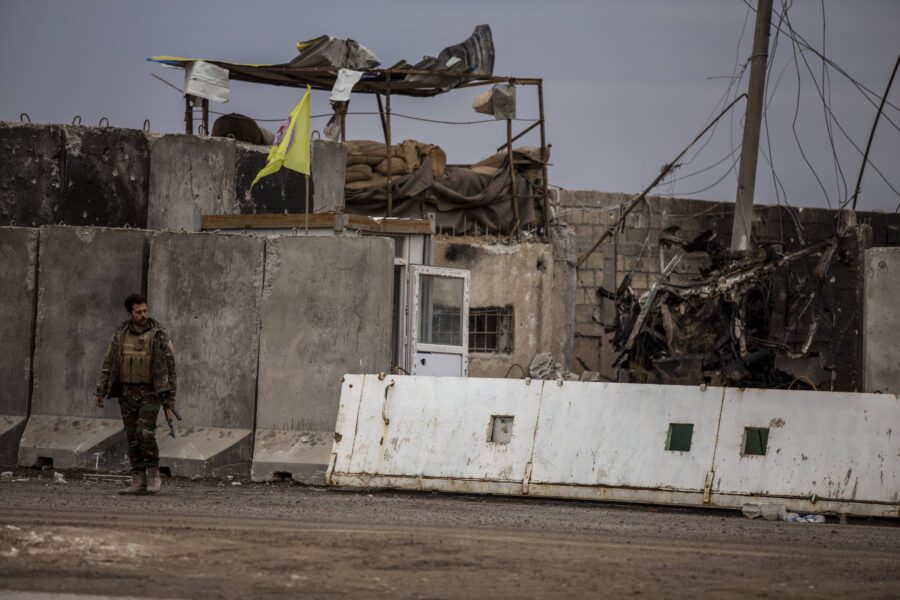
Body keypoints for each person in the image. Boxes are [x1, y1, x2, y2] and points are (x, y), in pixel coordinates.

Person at [95, 293, 177, 495]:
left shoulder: (158, 334)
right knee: (132, 436)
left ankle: (153, 475)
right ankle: (138, 480)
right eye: (139, 312)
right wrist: (101, 390)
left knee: (145, 433)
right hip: (127, 392)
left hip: (150, 392)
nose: (143, 315)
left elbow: (170, 367)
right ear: (130, 313)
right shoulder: (120, 334)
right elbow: (109, 362)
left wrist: (170, 398)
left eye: (145, 310)